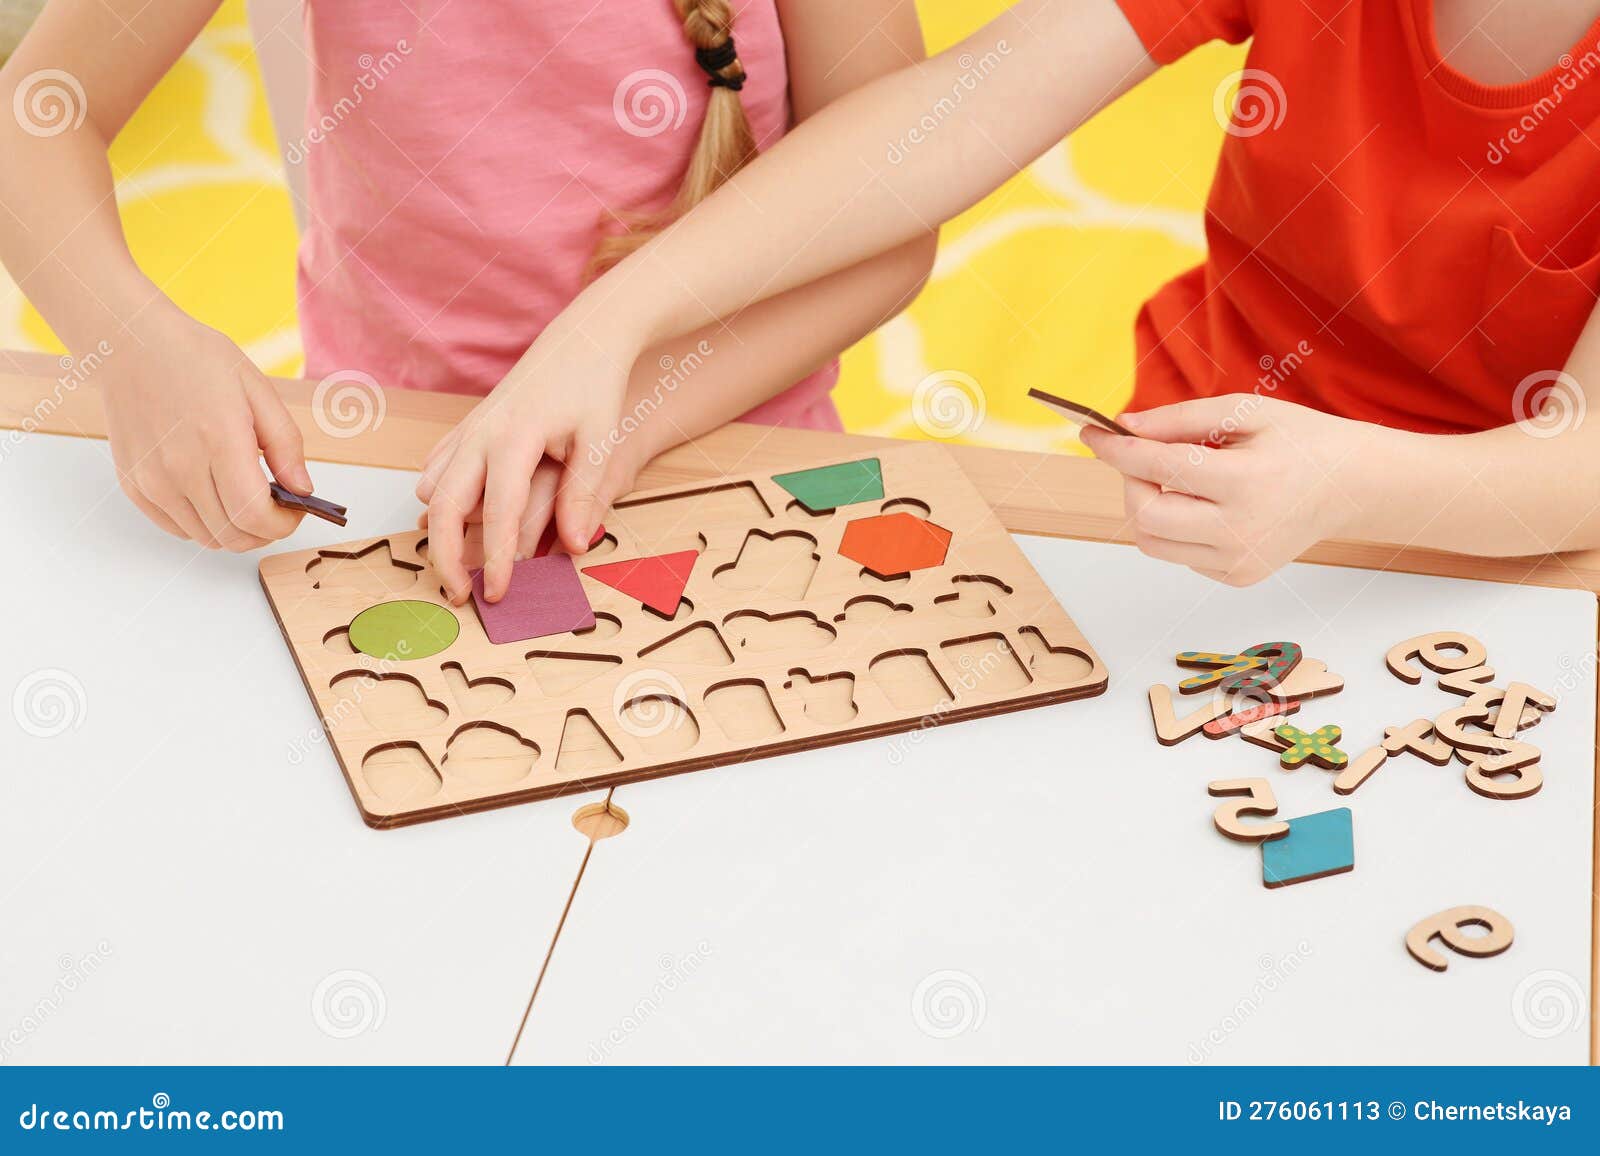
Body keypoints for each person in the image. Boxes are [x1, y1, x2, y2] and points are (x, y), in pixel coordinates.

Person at [446, 0, 1600, 589]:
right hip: (1184, 504)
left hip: (1511, 563)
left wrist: (1342, 483)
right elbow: (953, 115)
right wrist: (616, 318)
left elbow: (1578, 464)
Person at [0, 0, 935, 602]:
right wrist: (126, 341)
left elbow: (892, 220)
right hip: (396, 477)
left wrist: (618, 419)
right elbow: (35, 116)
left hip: (742, 456)